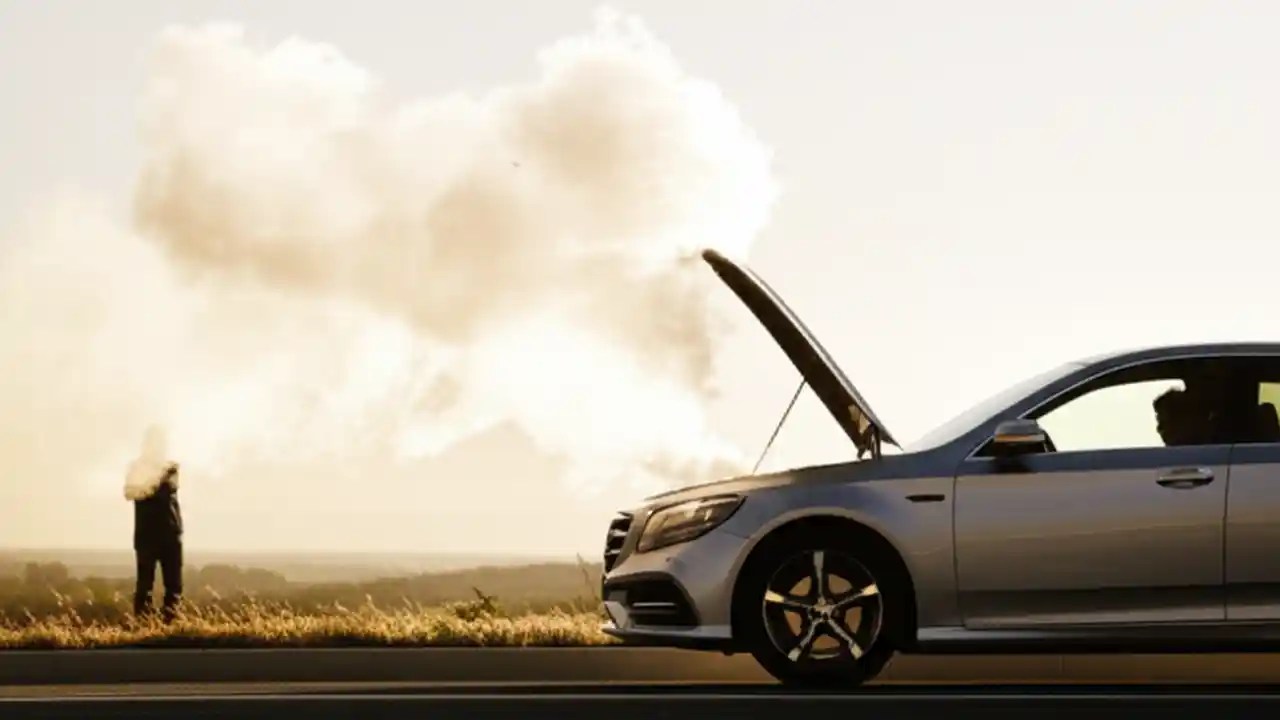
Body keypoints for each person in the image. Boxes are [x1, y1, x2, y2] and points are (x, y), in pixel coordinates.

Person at [124, 425, 184, 622]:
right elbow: (130, 493)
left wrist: (163, 477)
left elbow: (171, 489)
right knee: (144, 586)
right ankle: (142, 624)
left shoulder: (169, 467)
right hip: (147, 534)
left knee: (174, 586)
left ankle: (171, 624)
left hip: (171, 532)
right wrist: (159, 479)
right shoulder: (138, 467)